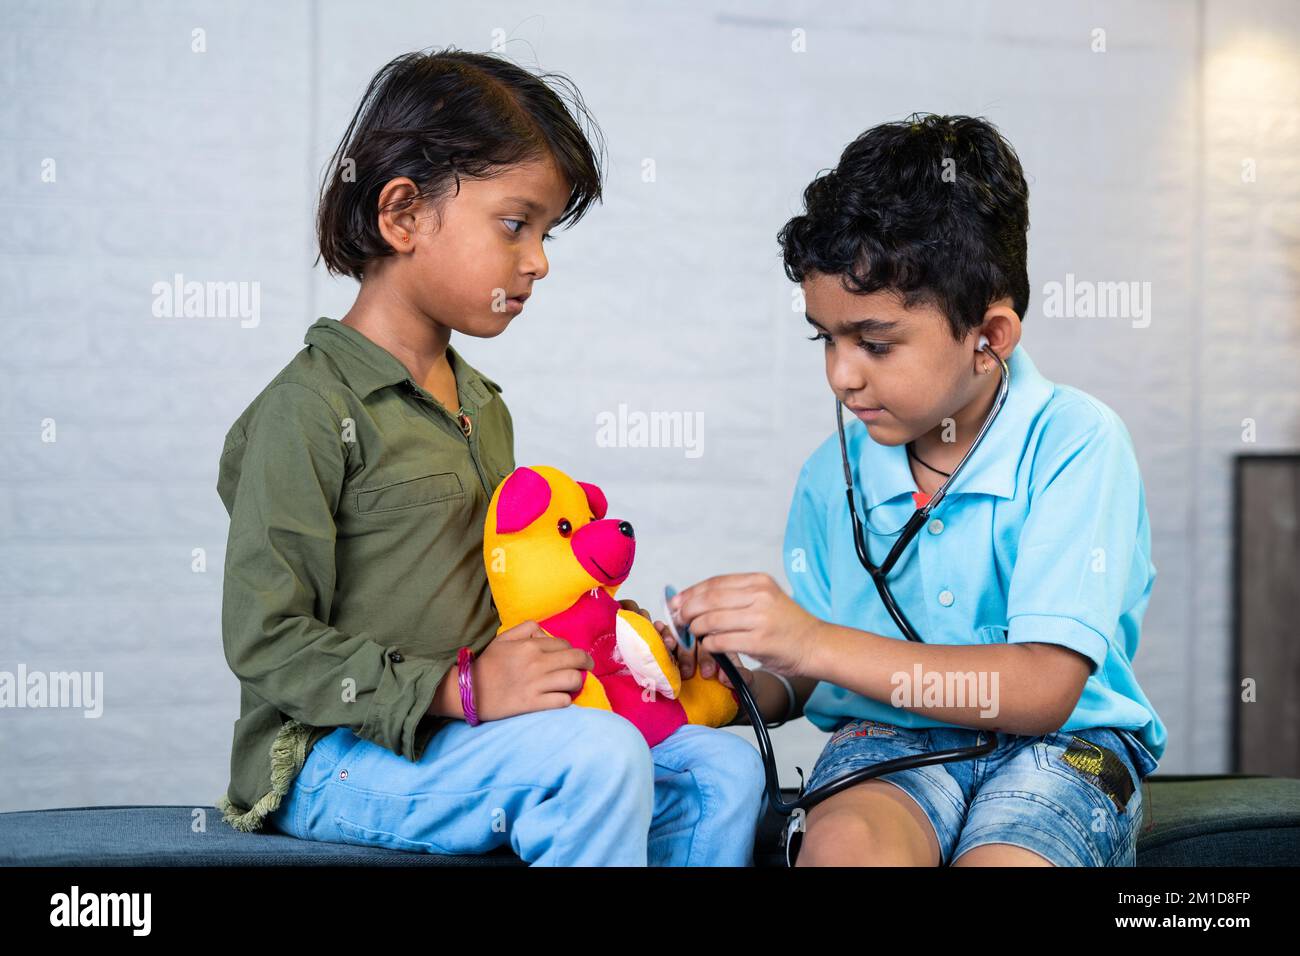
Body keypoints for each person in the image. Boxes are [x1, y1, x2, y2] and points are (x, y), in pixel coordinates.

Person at [215, 47, 764, 866]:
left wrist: (620, 645)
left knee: (722, 766)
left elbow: (504, 595)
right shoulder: (305, 412)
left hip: (470, 733)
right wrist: (452, 688)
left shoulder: (483, 406)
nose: (539, 259)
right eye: (516, 224)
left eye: (545, 232)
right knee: (597, 758)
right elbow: (265, 639)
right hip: (331, 758)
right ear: (403, 214)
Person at [667, 113, 1164, 867]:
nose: (842, 375)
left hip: (1069, 746)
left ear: (989, 337)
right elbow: (813, 671)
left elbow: (1042, 689)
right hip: (885, 737)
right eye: (825, 339)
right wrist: (730, 682)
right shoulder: (829, 476)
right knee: (848, 850)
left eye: (873, 342)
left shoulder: (1075, 443)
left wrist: (812, 639)